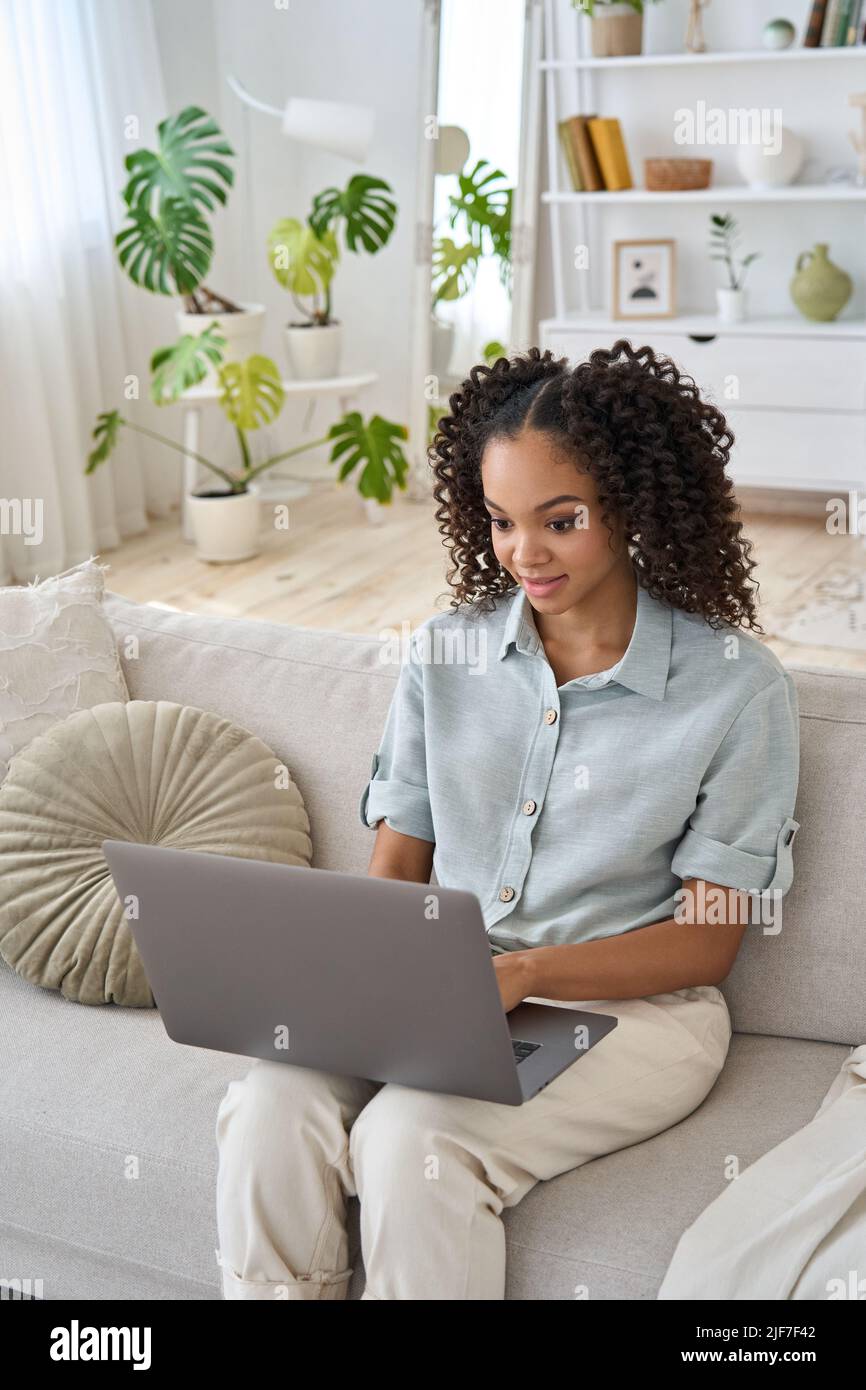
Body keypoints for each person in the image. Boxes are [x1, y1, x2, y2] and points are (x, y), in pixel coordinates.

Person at [214, 341, 800, 1301]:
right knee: (271, 1097)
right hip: (451, 989)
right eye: (500, 522)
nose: (525, 553)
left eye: (559, 521)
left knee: (413, 1138)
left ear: (631, 507)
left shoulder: (735, 691)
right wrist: (358, 981)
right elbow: (397, 866)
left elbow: (707, 943)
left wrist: (521, 973)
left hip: (634, 1017)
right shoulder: (444, 654)